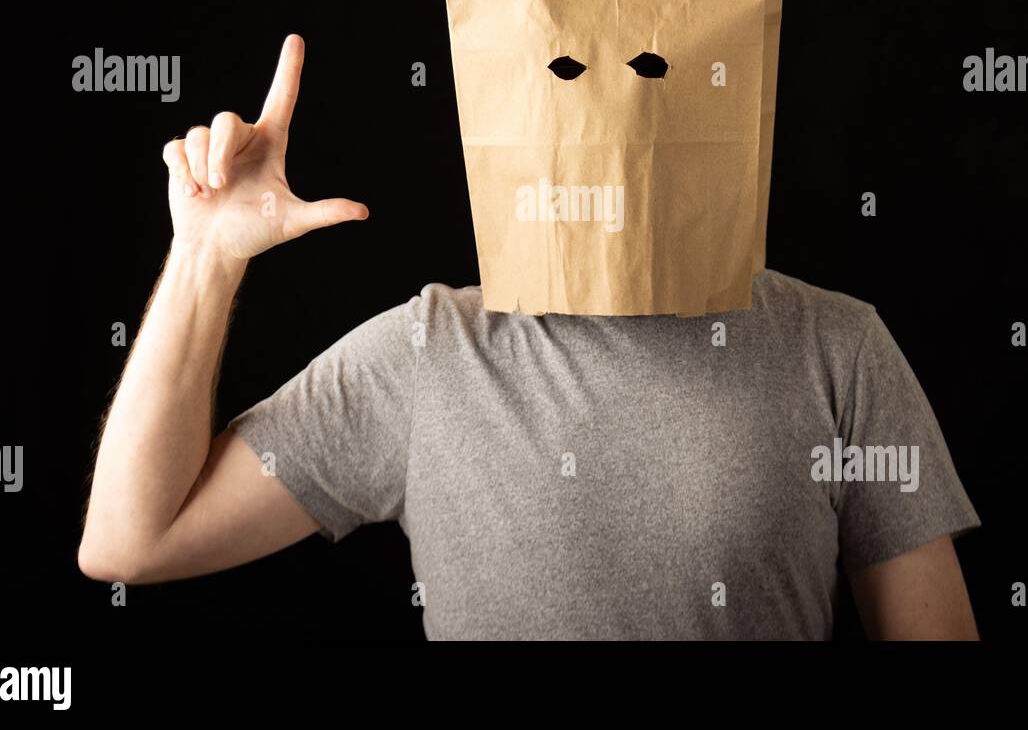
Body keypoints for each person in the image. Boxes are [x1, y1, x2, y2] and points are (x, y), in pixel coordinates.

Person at [79, 34, 982, 640]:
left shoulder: (837, 347)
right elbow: (132, 543)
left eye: (654, 67)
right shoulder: (430, 355)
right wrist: (205, 256)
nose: (615, 112)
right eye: (563, 74)